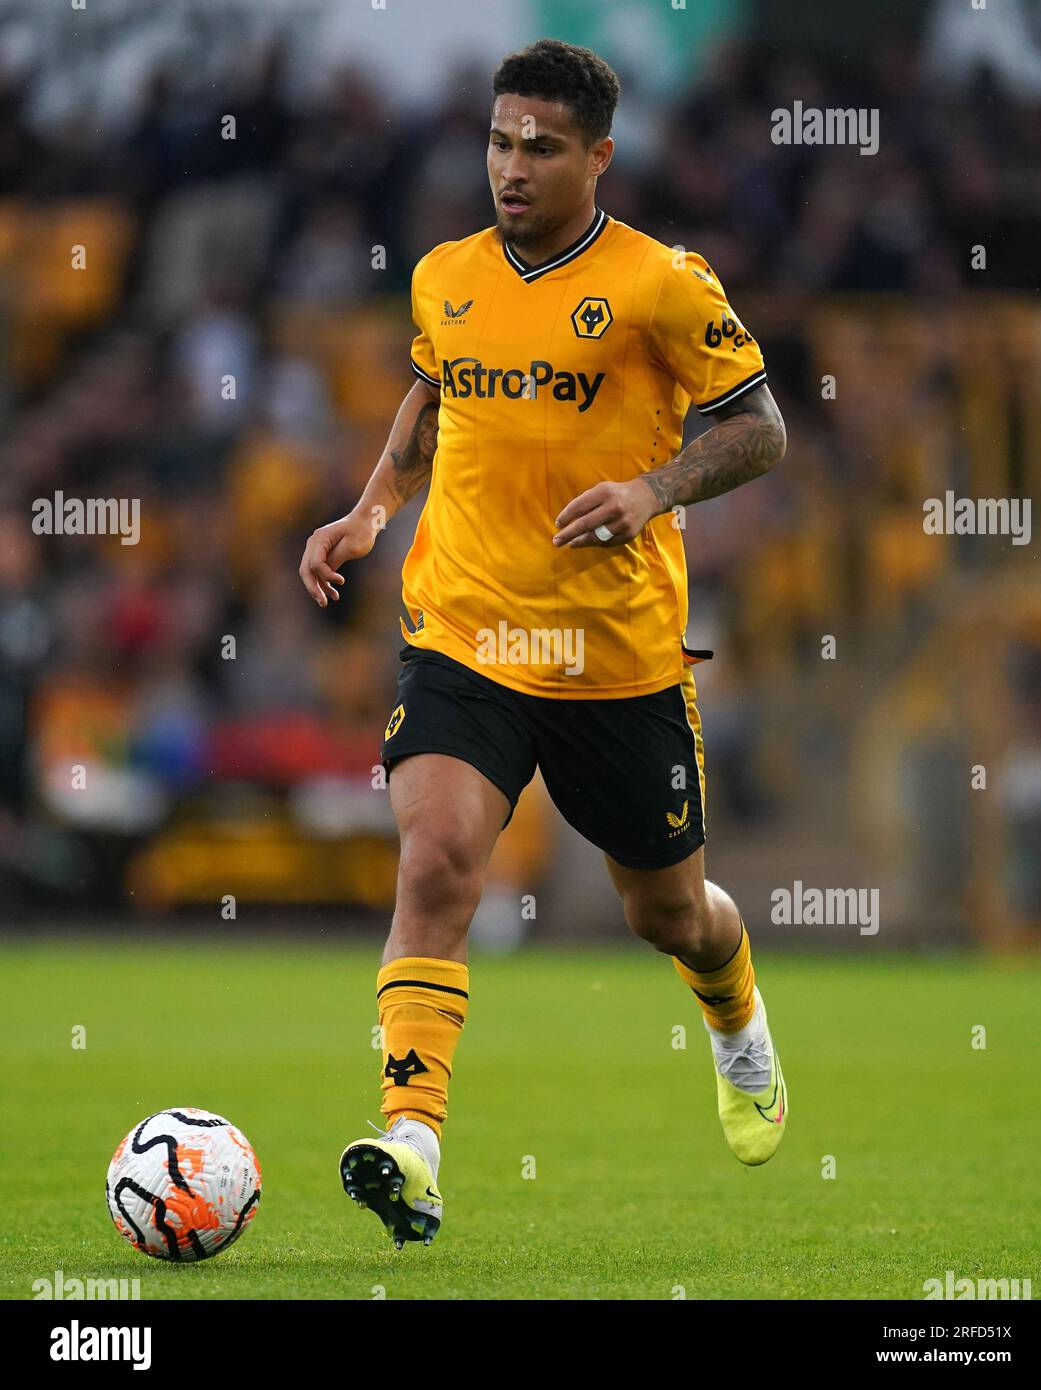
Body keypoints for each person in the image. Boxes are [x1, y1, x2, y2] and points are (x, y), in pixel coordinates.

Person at [299, 38, 788, 1250]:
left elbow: (762, 429)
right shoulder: (442, 274)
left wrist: (653, 487)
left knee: (668, 916)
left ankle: (736, 1027)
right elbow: (433, 393)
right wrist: (368, 510)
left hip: (612, 661)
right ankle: (411, 1142)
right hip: (463, 632)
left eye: (541, 147)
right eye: (498, 141)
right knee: (436, 860)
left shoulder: (663, 284)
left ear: (598, 157)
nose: (510, 168)